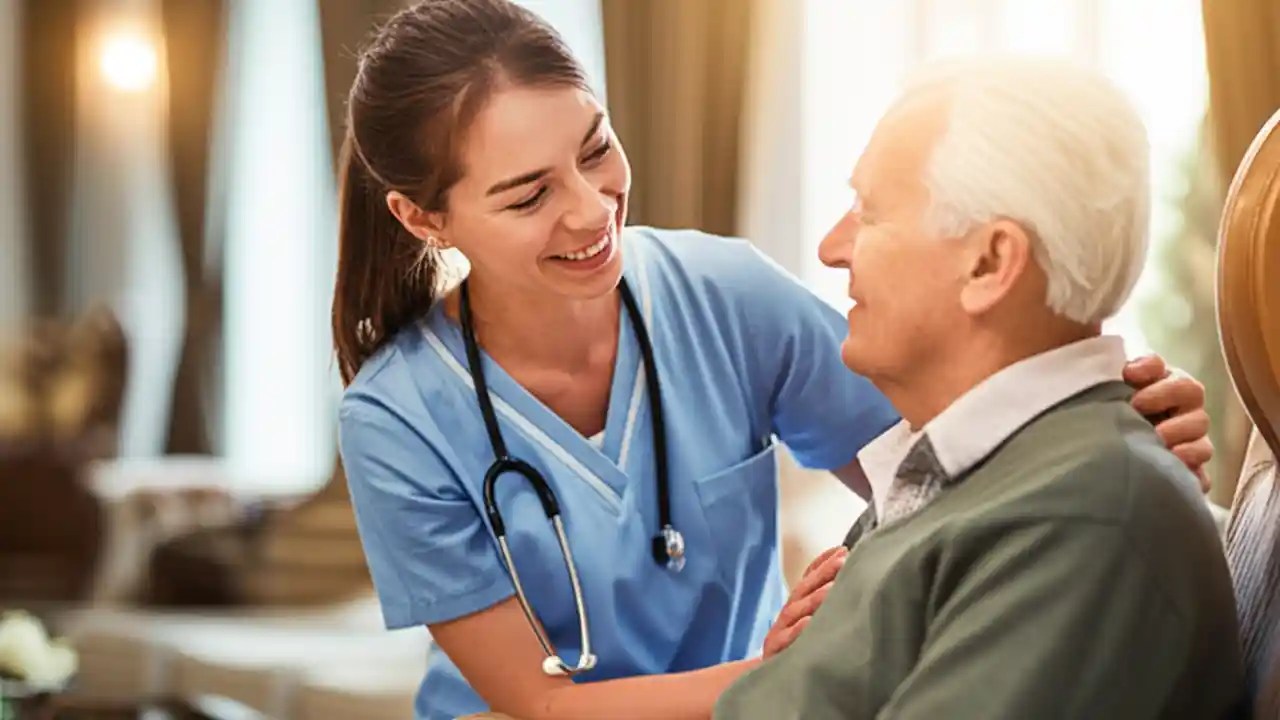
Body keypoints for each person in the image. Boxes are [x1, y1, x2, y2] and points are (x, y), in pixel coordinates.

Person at [332, 3, 1217, 719]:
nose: (590, 208)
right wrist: (792, 673)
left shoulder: (726, 297)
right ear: (423, 219)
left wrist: (1100, 421)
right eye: (528, 195)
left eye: (595, 149)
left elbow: (960, 471)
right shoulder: (395, 418)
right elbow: (540, 703)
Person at [713, 56, 1245, 719]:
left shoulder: (1082, 520)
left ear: (990, 263)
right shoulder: (961, 477)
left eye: (869, 213)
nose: (831, 247)